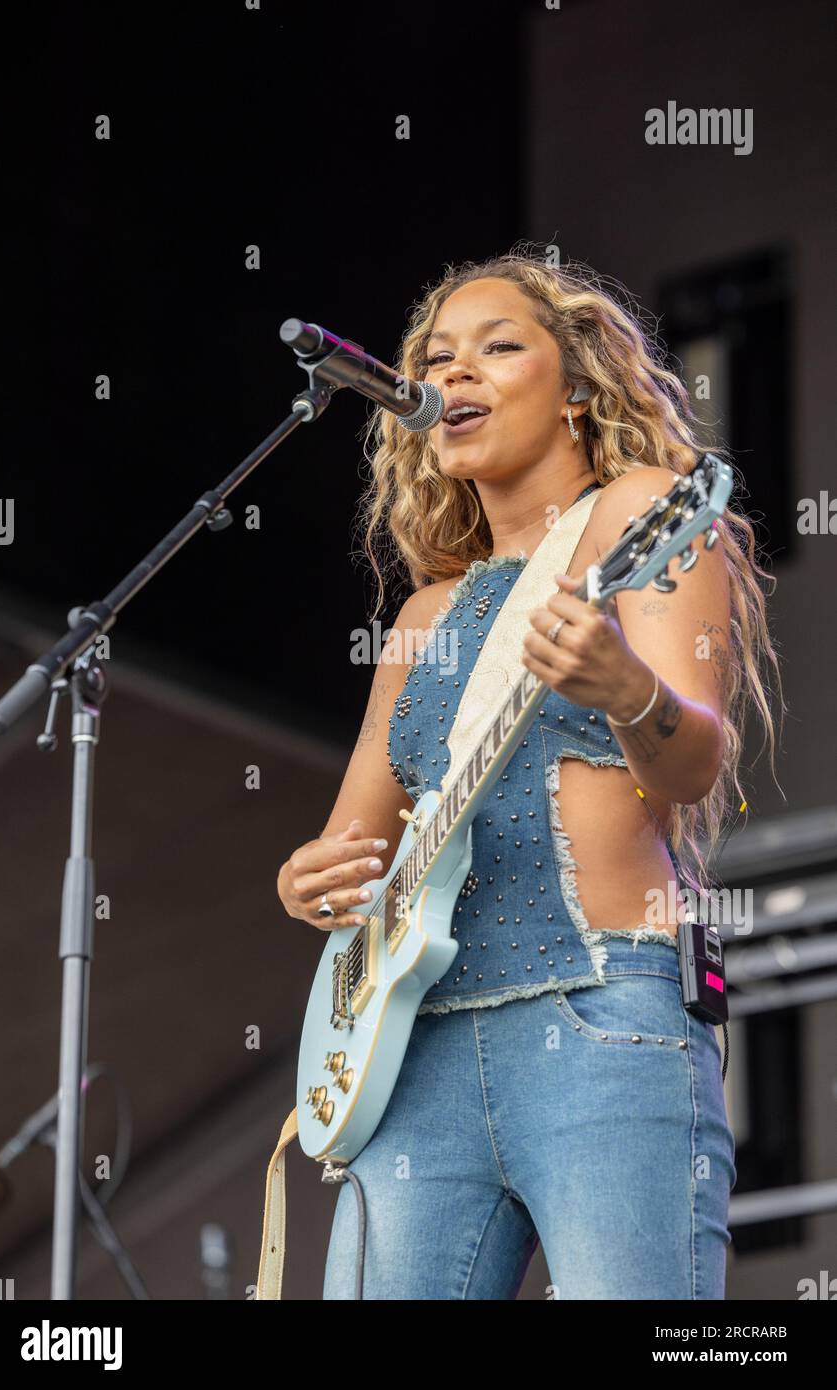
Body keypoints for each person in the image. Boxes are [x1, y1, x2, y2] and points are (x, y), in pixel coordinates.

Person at [277, 250, 783, 1300]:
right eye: (435, 360)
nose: (454, 375)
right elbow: (351, 843)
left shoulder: (640, 514)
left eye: (497, 348)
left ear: (578, 389)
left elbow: (692, 763)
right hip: (413, 1061)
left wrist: (622, 688)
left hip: (599, 1020)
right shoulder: (421, 620)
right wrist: (309, 880)